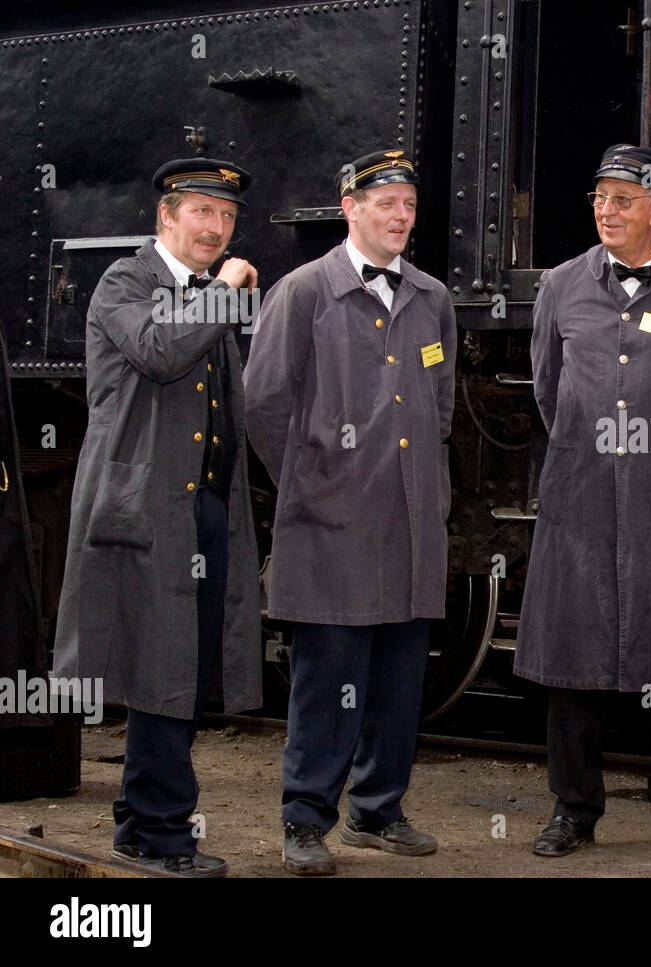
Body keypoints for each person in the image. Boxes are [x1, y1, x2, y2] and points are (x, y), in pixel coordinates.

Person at [514, 144, 651, 859]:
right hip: (580, 498)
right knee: (573, 663)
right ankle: (573, 810)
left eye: (622, 199)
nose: (606, 211)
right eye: (599, 199)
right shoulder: (561, 285)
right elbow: (548, 389)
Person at [244, 149, 455, 876]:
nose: (400, 216)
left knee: (399, 679)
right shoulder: (304, 292)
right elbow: (264, 402)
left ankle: (378, 809)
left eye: (409, 205)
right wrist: (311, 482)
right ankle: (304, 818)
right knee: (328, 680)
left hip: (410, 522)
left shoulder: (431, 298)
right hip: (331, 525)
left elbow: (441, 405)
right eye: (386, 203)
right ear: (350, 209)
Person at [54, 158, 262, 876]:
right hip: (145, 510)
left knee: (181, 670)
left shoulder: (204, 294)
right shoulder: (126, 283)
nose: (216, 227)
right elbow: (161, 351)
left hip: (202, 508)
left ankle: (143, 823)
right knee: (161, 668)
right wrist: (226, 291)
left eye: (227, 216)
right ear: (165, 217)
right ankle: (159, 834)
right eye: (201, 212)